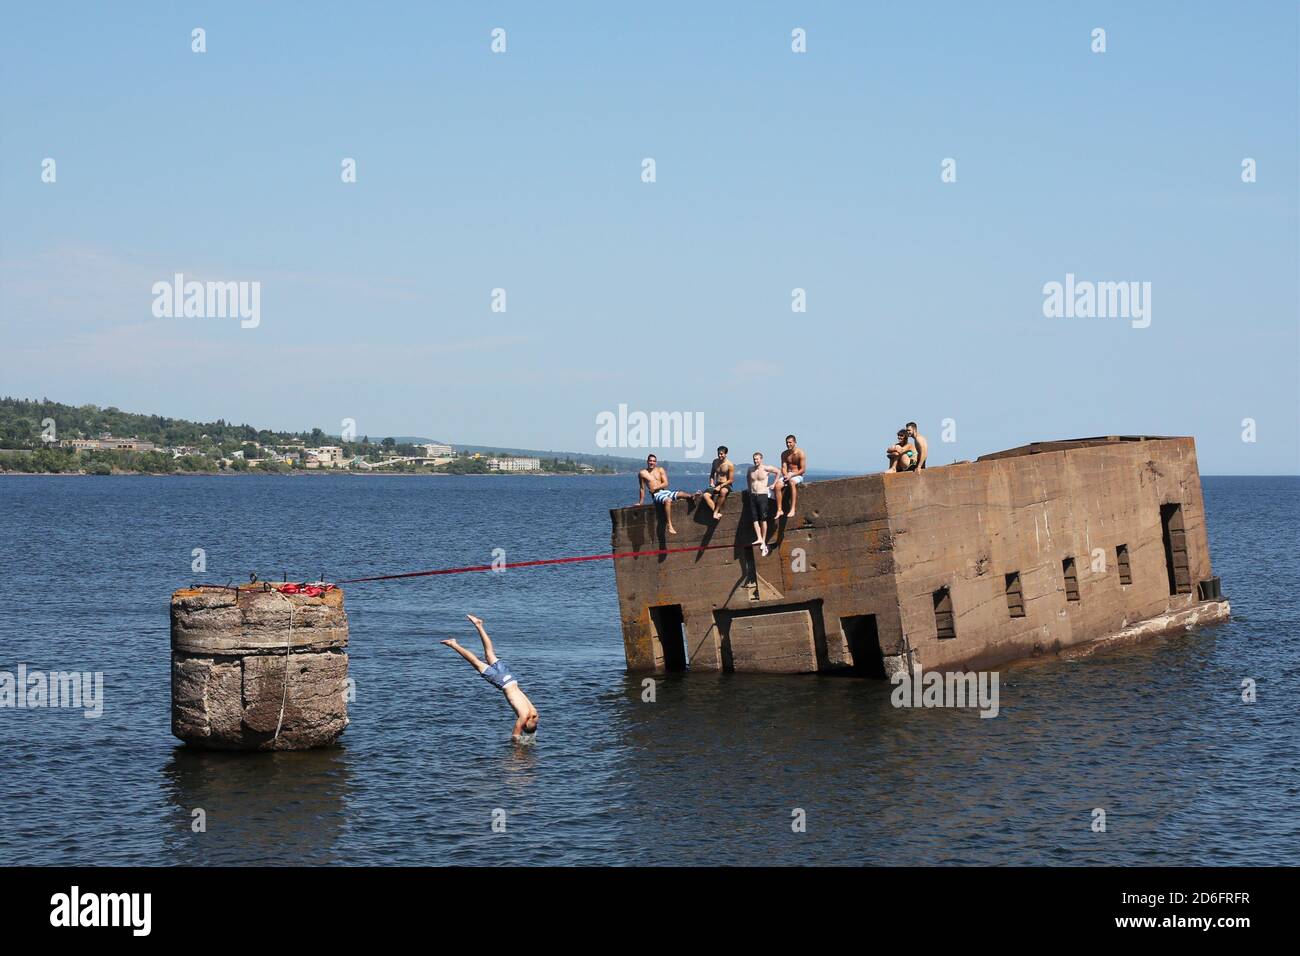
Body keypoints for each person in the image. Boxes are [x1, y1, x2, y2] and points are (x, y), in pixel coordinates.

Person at [441, 614, 539, 742]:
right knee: (476, 663)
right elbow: (515, 735)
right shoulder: (523, 717)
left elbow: (533, 725)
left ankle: (479, 625)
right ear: (525, 724)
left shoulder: (535, 714)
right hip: (502, 682)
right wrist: (518, 746)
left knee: (490, 654)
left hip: (511, 679)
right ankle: (453, 644)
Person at [636, 453, 695, 534]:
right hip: (656, 495)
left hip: (665, 492)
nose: (652, 462)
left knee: (681, 493)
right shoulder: (642, 473)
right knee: (668, 500)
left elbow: (666, 483)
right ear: (647, 461)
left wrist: (655, 488)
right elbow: (642, 488)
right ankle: (669, 525)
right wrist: (641, 502)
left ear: (656, 462)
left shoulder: (660, 470)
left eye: (653, 461)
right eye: (650, 461)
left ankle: (693, 496)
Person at [747, 452, 782, 557]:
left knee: (763, 519)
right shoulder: (750, 469)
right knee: (754, 519)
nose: (755, 461)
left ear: (761, 459)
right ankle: (759, 538)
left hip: (762, 495)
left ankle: (763, 540)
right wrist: (749, 490)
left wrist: (774, 483)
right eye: (754, 459)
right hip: (753, 495)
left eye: (757, 459)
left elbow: (778, 472)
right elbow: (748, 479)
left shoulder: (766, 468)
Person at [772, 434, 807, 518]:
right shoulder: (784, 454)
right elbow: (783, 467)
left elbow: (803, 470)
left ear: (795, 442)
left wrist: (792, 475)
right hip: (787, 475)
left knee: (791, 482)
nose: (788, 444)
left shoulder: (800, 453)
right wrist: (786, 475)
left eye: (790, 442)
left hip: (797, 475)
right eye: (787, 443)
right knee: (777, 486)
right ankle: (779, 510)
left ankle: (792, 508)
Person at [700, 446, 735, 520]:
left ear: (726, 454)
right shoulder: (715, 462)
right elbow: (712, 474)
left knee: (723, 491)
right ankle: (716, 512)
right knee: (705, 495)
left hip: (726, 484)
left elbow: (731, 480)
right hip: (717, 484)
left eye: (721, 454)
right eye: (718, 454)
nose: (720, 455)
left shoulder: (730, 465)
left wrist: (721, 486)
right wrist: (712, 483)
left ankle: (715, 512)